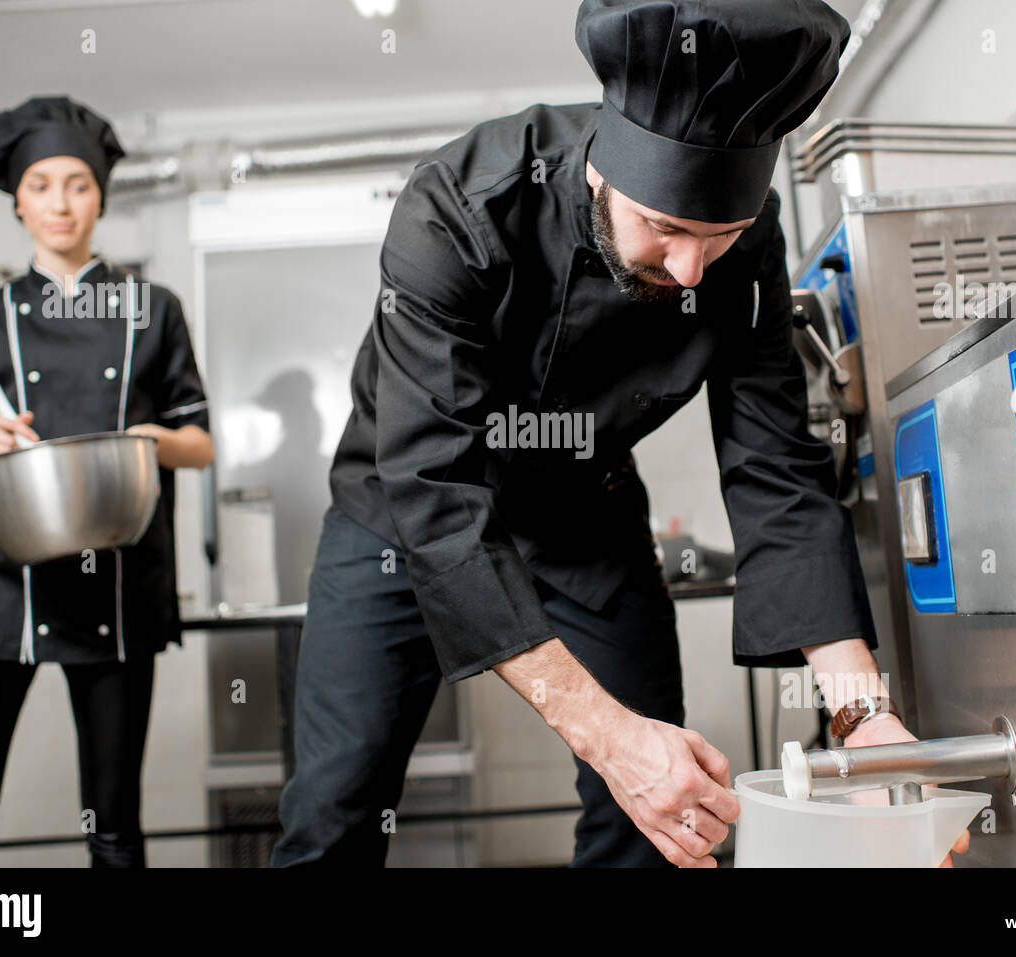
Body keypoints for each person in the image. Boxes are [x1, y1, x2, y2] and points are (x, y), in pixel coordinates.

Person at [274, 0, 970, 867]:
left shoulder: (742, 252)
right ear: (603, 170)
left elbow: (778, 475)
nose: (689, 272)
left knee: (654, 819)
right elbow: (435, 490)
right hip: (399, 515)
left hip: (585, 515)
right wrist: (606, 735)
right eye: (668, 228)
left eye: (716, 238)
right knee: (335, 805)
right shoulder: (453, 211)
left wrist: (865, 720)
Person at [0, 96, 214, 867]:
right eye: (41, 184)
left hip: (113, 580)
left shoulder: (154, 309)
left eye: (77, 183)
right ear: (17, 199)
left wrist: (150, 439)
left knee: (113, 829)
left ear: (100, 196)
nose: (60, 202)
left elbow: (201, 446)